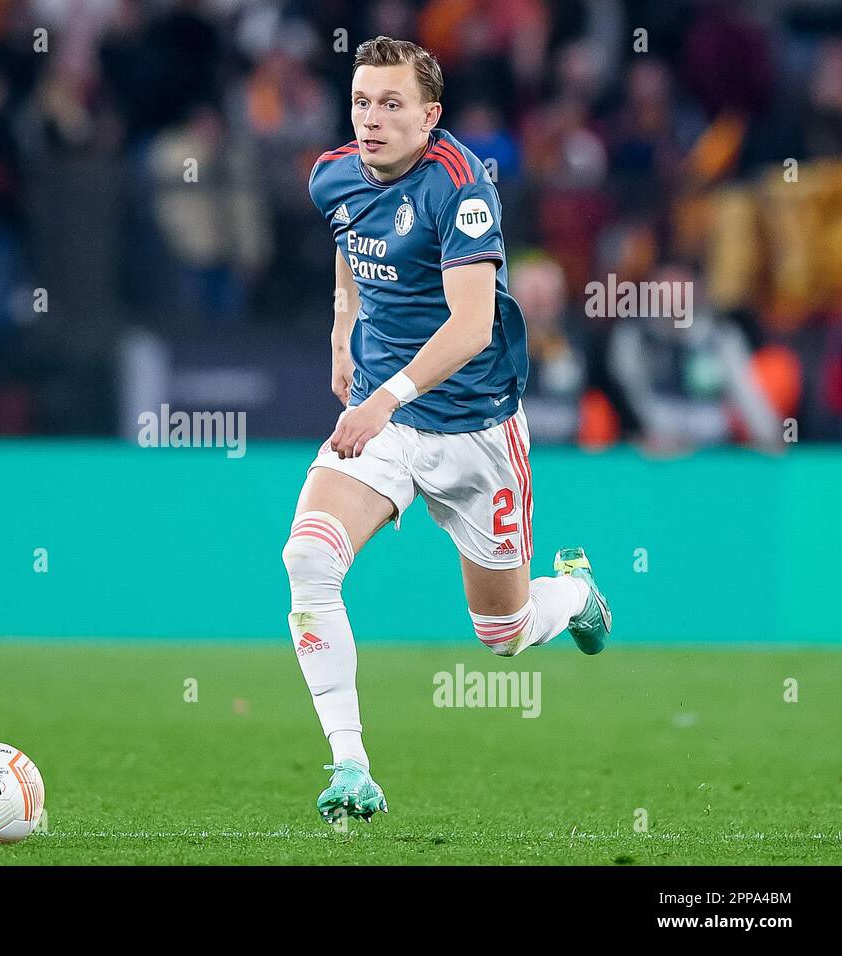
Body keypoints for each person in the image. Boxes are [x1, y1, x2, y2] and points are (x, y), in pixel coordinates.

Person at [286, 37, 613, 825]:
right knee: (308, 558)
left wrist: (381, 400)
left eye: (392, 104)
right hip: (385, 420)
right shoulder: (331, 172)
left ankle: (573, 595)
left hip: (474, 429)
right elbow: (348, 241)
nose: (371, 119)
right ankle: (350, 767)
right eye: (362, 101)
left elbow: (470, 326)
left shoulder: (460, 189)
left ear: (430, 116)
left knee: (501, 633)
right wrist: (343, 328)